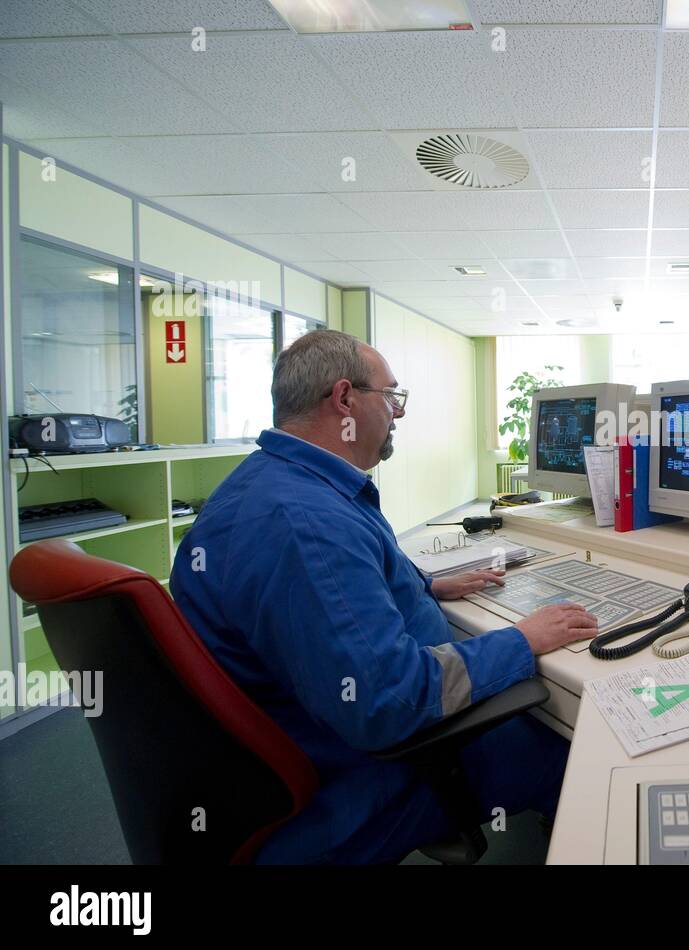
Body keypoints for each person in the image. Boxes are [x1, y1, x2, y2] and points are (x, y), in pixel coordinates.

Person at [170, 329, 598, 863]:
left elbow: (336, 591)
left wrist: (422, 585)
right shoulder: (308, 524)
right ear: (345, 399)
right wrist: (522, 638)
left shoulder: (276, 482)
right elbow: (389, 700)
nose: (397, 413)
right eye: (391, 397)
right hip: (361, 776)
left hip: (294, 749)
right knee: (581, 750)